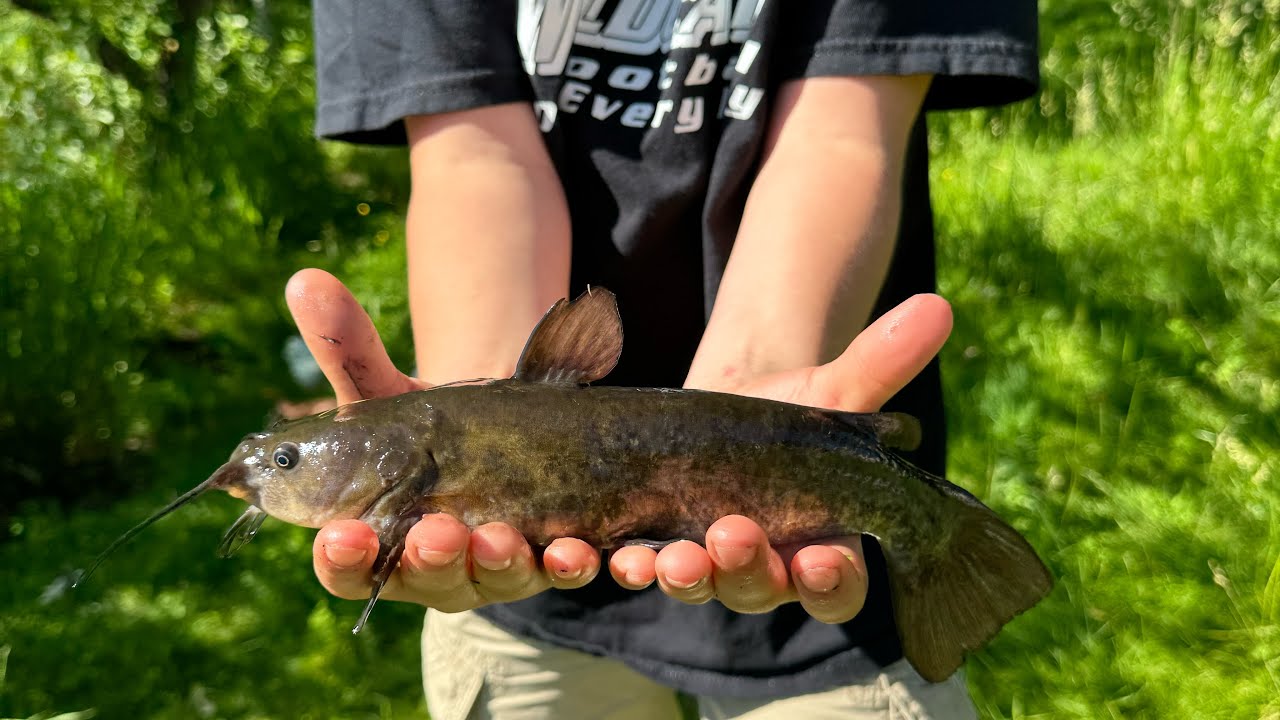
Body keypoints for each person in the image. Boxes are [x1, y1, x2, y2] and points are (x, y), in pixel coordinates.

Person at [289, 1, 1038, 717]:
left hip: (820, 606)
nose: (277, 469)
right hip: (516, 607)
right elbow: (470, 149)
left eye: (288, 460)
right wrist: (488, 397)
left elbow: (841, 130)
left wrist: (759, 374)